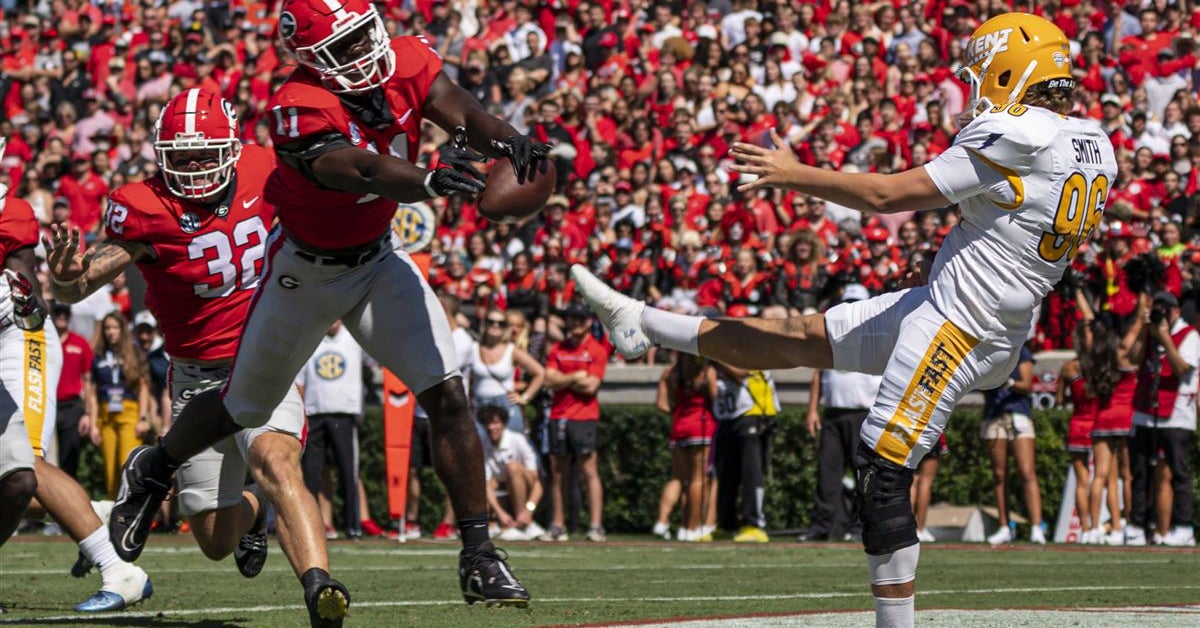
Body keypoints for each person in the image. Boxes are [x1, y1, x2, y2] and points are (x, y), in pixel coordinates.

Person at [572, 14, 1116, 627]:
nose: (974, 88)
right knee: (797, 337)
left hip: (961, 326)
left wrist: (794, 174)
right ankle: (640, 322)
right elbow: (1010, 217)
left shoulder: (1018, 133)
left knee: (883, 470)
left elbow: (888, 196)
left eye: (981, 74)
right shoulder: (1092, 141)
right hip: (969, 310)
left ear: (1011, 73)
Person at [106, 0, 544, 610]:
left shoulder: (406, 60)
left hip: (379, 259)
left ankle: (480, 555)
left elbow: (461, 108)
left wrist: (511, 139)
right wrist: (424, 180)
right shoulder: (297, 104)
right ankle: (157, 465)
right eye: (343, 47)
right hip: (304, 272)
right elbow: (357, 168)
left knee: (447, 392)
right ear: (311, 57)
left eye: (365, 35)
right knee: (240, 404)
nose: (363, 52)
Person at [45, 88, 337, 625]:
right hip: (196, 377)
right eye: (183, 156)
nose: (196, 166)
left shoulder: (262, 166)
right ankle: (253, 513)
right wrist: (66, 277)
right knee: (213, 539)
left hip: (263, 358)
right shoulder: (143, 206)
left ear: (232, 148)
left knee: (276, 460)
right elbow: (79, 285)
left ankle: (322, 594)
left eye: (206, 154)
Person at [1, 154, 152, 612]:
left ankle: (119, 570)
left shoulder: (11, 212)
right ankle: (92, 515)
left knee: (22, 465)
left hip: (17, 338)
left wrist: (21, 298)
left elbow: (31, 302)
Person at [801, 284, 880, 543]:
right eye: (849, 304)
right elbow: (818, 373)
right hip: (834, 414)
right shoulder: (833, 337)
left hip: (864, 413)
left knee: (864, 474)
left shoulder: (877, 336)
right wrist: (812, 410)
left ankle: (861, 526)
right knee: (828, 473)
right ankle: (823, 526)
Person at [1128, 291, 1197, 546]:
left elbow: (1182, 368)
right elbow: (1132, 359)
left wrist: (1166, 338)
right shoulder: (1150, 332)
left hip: (1177, 414)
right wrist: (1143, 329)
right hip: (1145, 411)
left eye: (1165, 311)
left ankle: (1183, 526)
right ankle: (1137, 525)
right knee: (1140, 472)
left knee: (1178, 473)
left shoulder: (1190, 335)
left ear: (1176, 312)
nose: (1161, 316)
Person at [541, 301, 608, 542]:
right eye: (572, 318)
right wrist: (576, 376)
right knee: (558, 472)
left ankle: (596, 525)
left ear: (589, 321)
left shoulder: (597, 349)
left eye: (581, 318)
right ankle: (558, 525)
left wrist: (563, 379)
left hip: (584, 417)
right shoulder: (558, 348)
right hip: (559, 415)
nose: (576, 322)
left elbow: (591, 386)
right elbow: (548, 380)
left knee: (589, 470)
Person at [297, 321, 366, 538]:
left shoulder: (354, 338)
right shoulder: (310, 338)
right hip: (314, 413)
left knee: (348, 471)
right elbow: (300, 382)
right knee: (310, 473)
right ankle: (310, 525)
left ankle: (353, 526)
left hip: (343, 413)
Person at [980, 344, 1045, 545]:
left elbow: (1027, 385)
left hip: (1018, 413)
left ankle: (1036, 526)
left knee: (1027, 472)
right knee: (999, 474)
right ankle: (1004, 526)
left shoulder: (1021, 350)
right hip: (993, 415)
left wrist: (1007, 382)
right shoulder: (988, 349)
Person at [711, 360, 779, 543]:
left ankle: (754, 523)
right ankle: (726, 523)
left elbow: (740, 373)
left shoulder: (745, 347)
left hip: (753, 411)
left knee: (751, 472)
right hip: (728, 415)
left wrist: (714, 358)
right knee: (726, 473)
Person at [652, 352, 717, 542]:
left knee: (678, 478)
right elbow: (716, 401)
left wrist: (679, 409)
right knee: (699, 480)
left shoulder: (670, 372)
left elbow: (662, 404)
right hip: (701, 427)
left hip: (679, 427)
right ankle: (692, 528)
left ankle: (663, 522)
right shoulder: (706, 371)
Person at [89, 311, 151, 499]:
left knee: (127, 463)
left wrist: (143, 417)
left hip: (129, 412)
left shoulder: (134, 352)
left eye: (115, 327)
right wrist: (93, 424)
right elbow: (92, 392)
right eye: (107, 328)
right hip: (106, 414)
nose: (110, 332)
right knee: (110, 471)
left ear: (122, 330)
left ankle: (132, 505)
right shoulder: (99, 355)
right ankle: (113, 507)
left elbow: (143, 387)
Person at [469, 307, 545, 433]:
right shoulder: (473, 348)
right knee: (480, 445)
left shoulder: (512, 350)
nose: (495, 325)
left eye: (501, 323)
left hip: (505, 405)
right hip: (480, 406)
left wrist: (525, 397)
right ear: (484, 324)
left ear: (505, 327)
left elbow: (540, 373)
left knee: (512, 443)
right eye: (491, 322)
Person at [477, 404, 544, 541]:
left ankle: (523, 522)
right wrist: (500, 513)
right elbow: (486, 484)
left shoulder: (518, 440)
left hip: (526, 488)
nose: (491, 427)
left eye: (495, 423)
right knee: (479, 482)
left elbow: (538, 483)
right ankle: (497, 524)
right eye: (487, 424)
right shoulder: (483, 444)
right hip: (502, 489)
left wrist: (528, 510)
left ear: (503, 423)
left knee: (512, 467)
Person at [52, 302, 95, 479]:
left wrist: (87, 413)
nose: (62, 316)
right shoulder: (46, 342)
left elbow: (88, 381)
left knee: (69, 460)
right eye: (58, 312)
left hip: (72, 407)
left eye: (66, 312)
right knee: (47, 459)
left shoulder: (80, 343)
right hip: (48, 405)